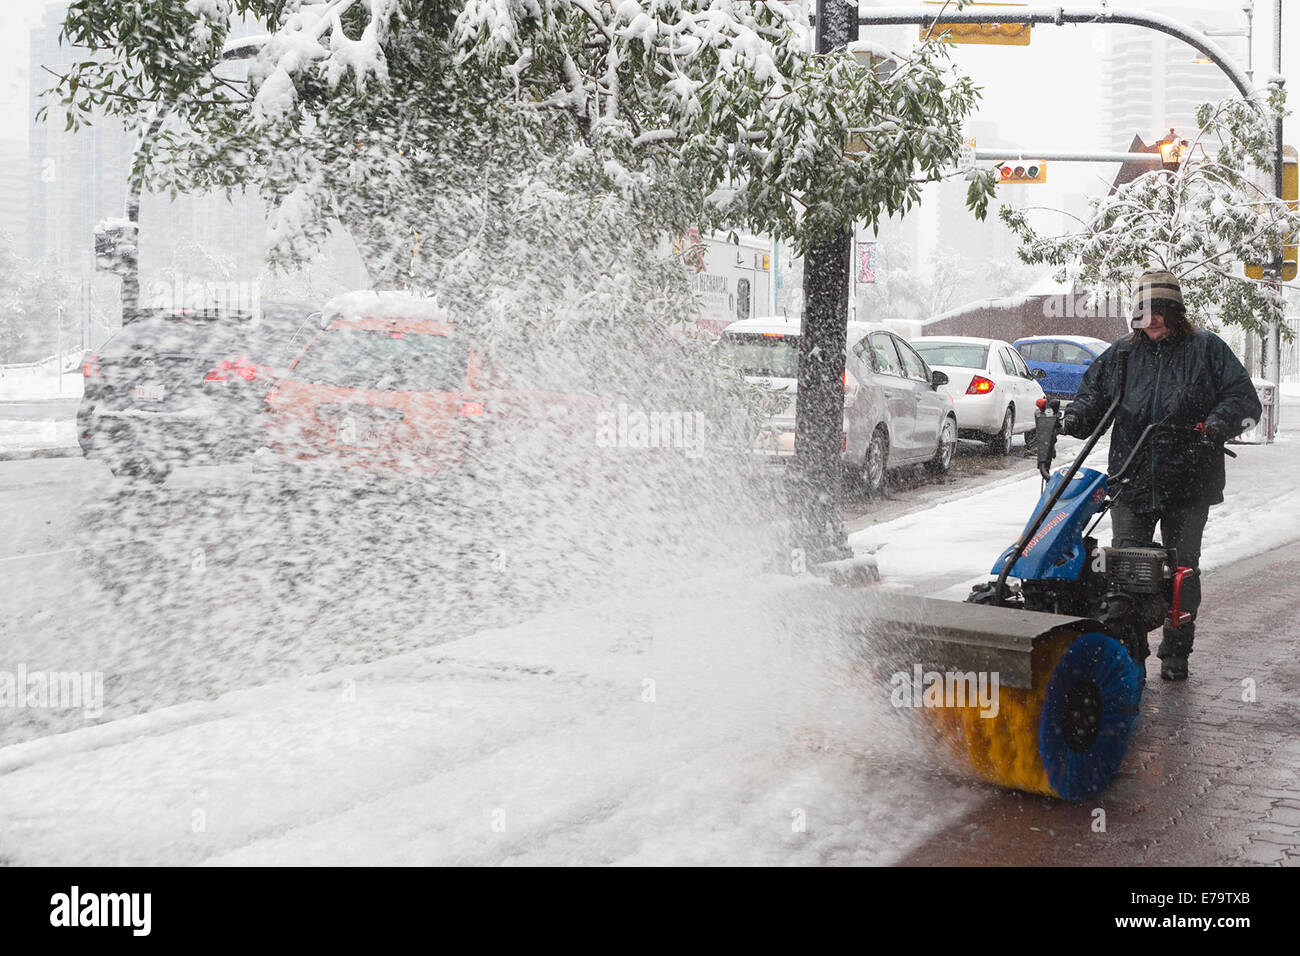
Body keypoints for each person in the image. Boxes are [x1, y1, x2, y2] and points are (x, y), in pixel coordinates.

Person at [1061, 270, 1262, 681]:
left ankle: (1176, 650)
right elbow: (1092, 398)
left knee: (1181, 569)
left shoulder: (1206, 350)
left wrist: (1215, 425)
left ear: (1175, 311)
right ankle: (1128, 651)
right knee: (1125, 569)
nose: (1152, 320)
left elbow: (1244, 400)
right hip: (1132, 478)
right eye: (1144, 312)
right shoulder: (1121, 355)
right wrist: (1072, 417)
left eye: (1160, 311)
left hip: (1189, 480)